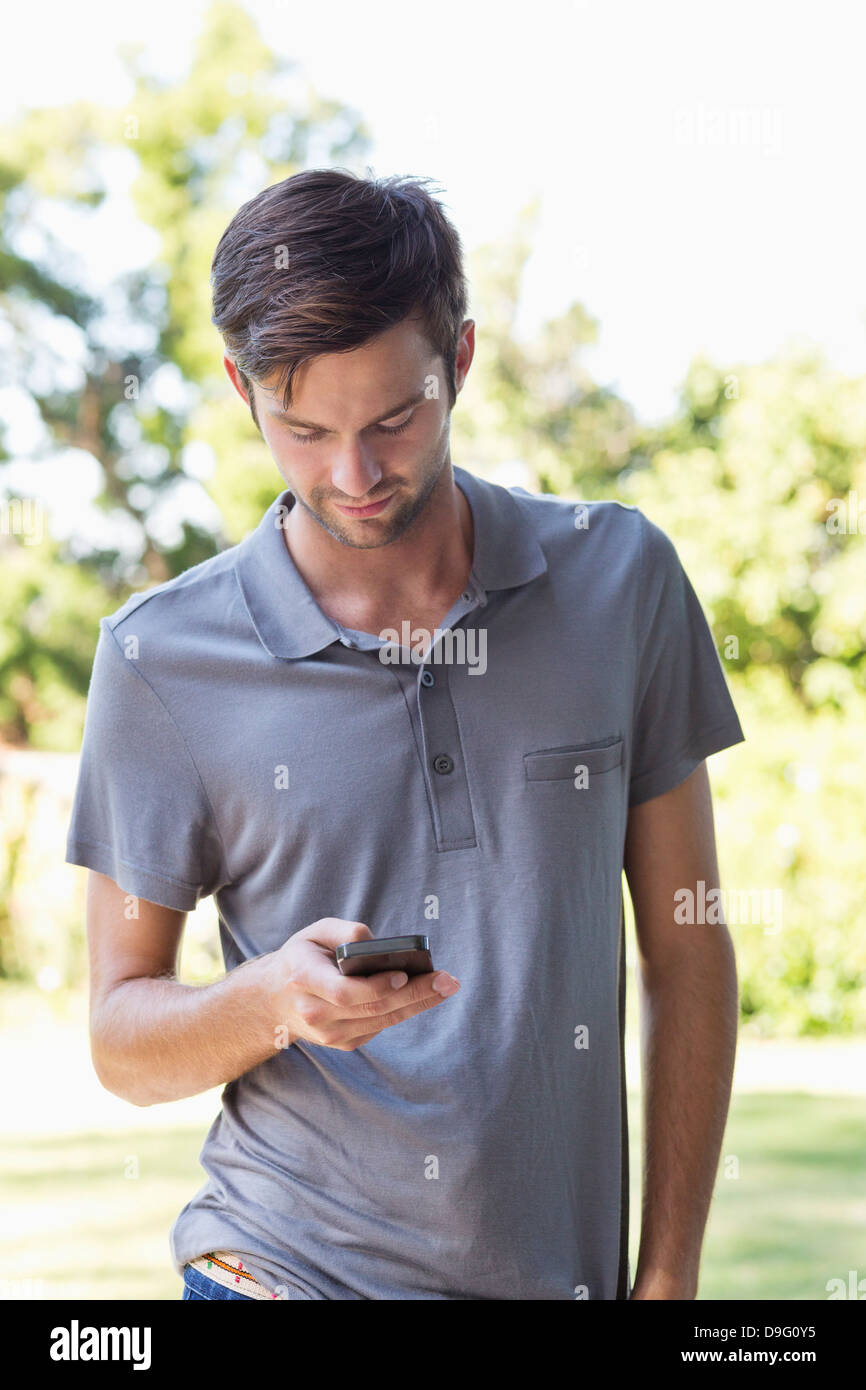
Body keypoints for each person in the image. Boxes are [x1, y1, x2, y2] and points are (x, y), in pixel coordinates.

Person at [66, 168, 745, 1301]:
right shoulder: (158, 660)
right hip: (279, 1269)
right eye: (303, 429)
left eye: (394, 417)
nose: (355, 474)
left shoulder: (621, 582)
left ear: (461, 359)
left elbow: (688, 945)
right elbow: (120, 1037)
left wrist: (665, 1281)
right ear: (241, 389)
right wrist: (274, 1000)